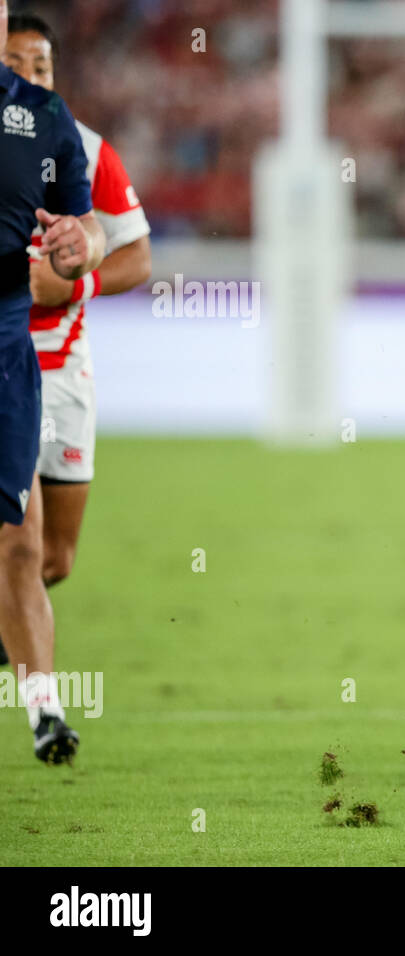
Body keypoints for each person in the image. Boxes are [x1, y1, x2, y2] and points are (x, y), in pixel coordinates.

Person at [3, 14, 152, 595]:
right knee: (14, 540)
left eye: (42, 65)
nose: (31, 76)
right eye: (15, 64)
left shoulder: (83, 149)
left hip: (61, 370)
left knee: (54, 559)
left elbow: (137, 258)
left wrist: (74, 283)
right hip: (7, 361)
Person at [0, 0, 104, 763]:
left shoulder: (46, 121)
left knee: (27, 549)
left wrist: (79, 247)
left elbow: (93, 232)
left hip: (14, 349)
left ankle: (42, 712)